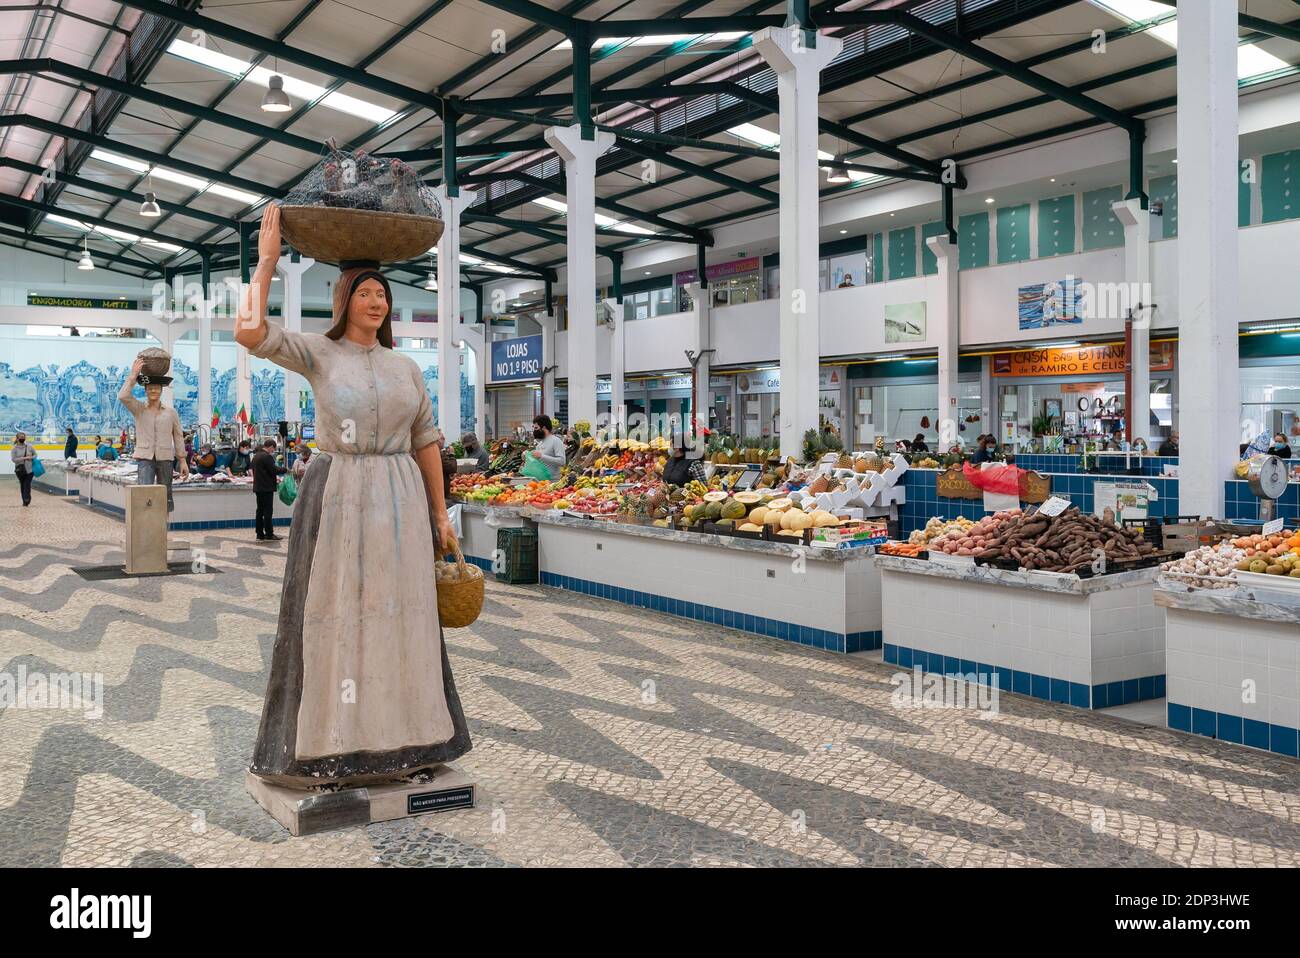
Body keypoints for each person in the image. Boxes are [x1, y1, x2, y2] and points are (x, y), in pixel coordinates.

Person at [237, 203, 469, 786]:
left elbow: (426, 442)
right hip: (338, 489)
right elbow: (248, 332)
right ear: (344, 300)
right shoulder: (319, 351)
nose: (376, 301)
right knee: (334, 610)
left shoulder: (405, 369)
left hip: (399, 496)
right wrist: (266, 263)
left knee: (404, 612)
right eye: (365, 292)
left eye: (383, 294)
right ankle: (327, 744)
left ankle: (412, 739)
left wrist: (440, 514)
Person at [118, 356, 189, 510]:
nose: (153, 390)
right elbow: (123, 396)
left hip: (165, 458)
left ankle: (164, 527)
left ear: (161, 391)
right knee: (144, 495)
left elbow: (178, 437)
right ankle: (146, 529)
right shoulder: (138, 409)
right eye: (150, 388)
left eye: (156, 388)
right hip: (145, 458)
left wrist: (182, 460)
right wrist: (133, 376)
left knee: (166, 496)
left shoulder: (171, 413)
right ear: (145, 390)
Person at [251, 439, 285, 541]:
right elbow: (274, 470)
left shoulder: (256, 456)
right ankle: (269, 534)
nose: (273, 451)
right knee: (267, 512)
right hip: (266, 488)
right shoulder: (267, 457)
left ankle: (259, 534)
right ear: (270, 447)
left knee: (259, 511)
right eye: (273, 449)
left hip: (258, 487)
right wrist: (285, 470)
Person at [526, 414, 566, 481]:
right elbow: (539, 461)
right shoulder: (540, 443)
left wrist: (541, 456)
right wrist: (528, 456)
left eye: (536, 428)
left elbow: (562, 461)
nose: (534, 431)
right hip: (541, 482)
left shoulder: (556, 441)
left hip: (552, 482)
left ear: (544, 427)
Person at [11, 431, 35, 506]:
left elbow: (35, 454)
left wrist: (31, 457)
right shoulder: (14, 448)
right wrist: (24, 458)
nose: (23, 438)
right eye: (21, 437)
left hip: (30, 469)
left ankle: (27, 499)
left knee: (27, 484)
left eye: (24, 437)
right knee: (22, 484)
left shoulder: (29, 446)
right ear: (17, 439)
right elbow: (14, 459)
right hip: (20, 470)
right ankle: (24, 500)